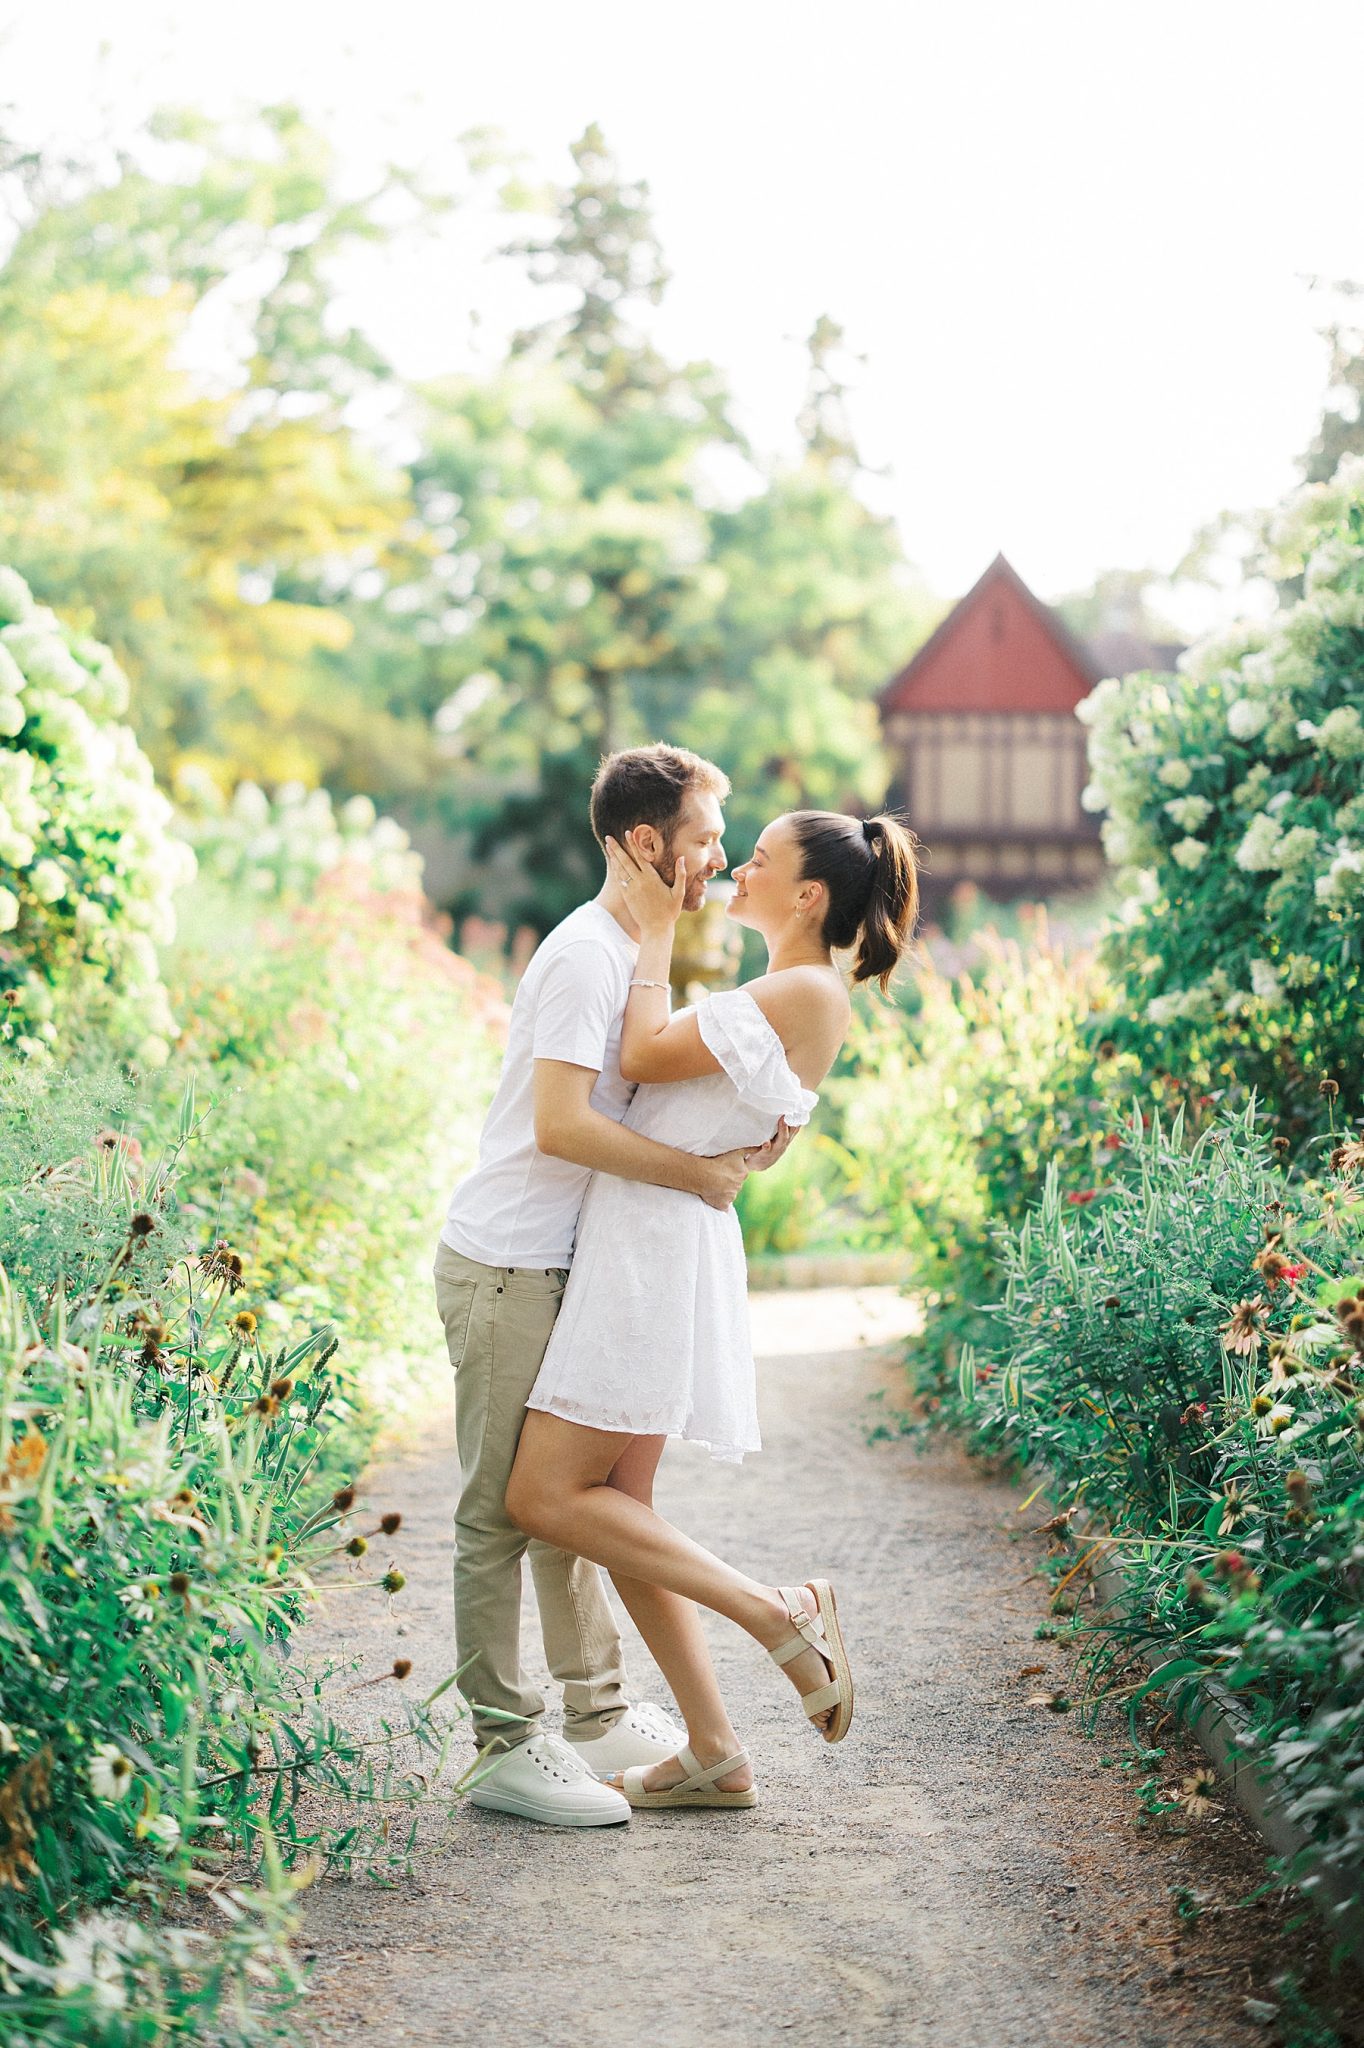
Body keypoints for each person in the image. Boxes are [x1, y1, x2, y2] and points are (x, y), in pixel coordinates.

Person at [505, 806, 919, 1810]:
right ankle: (713, 1748)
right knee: (620, 1512)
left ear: (807, 896)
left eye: (759, 860)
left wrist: (650, 922)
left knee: (543, 1496)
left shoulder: (801, 987)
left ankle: (776, 1612)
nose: (735, 867)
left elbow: (641, 1055)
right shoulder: (798, 988)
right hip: (651, 1237)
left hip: (648, 1250)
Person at [434, 744, 795, 1828]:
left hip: (562, 1261)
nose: (719, 857)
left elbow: (639, 1090)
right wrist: (697, 1176)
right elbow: (562, 1123)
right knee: (502, 1510)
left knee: (570, 1506)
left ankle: (592, 1710)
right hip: (506, 1261)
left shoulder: (632, 947)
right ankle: (504, 1742)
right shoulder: (588, 956)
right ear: (646, 842)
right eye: (702, 838)